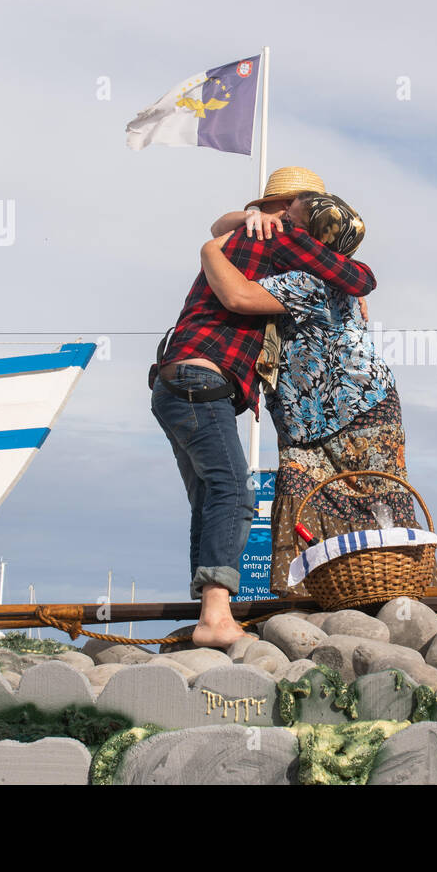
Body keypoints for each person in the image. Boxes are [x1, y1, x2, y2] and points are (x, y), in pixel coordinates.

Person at [150, 168, 377, 648]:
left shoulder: (242, 234)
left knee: (210, 497)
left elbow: (218, 228)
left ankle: (208, 613)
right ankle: (215, 618)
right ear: (291, 207)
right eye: (308, 203)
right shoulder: (282, 237)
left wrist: (231, 227)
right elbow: (357, 277)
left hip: (175, 381)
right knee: (234, 494)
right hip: (202, 377)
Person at [199, 193, 436, 597]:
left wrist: (208, 252)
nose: (280, 223)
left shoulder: (306, 280)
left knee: (372, 495)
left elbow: (236, 296)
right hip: (307, 415)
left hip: (356, 408)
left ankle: (396, 592)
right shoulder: (327, 274)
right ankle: (330, 594)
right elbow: (223, 225)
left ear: (309, 235)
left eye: (289, 218)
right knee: (308, 494)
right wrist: (251, 218)